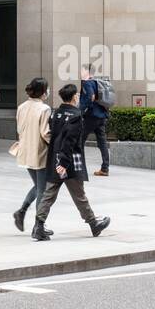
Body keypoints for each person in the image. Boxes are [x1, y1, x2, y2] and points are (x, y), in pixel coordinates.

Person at [32, 83, 111, 241]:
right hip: (70, 161)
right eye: (77, 95)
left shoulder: (56, 113)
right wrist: (64, 163)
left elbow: (54, 137)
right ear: (74, 97)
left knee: (49, 193)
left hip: (55, 158)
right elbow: (69, 141)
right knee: (79, 194)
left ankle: (38, 225)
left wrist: (58, 161)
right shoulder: (76, 116)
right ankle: (93, 223)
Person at [13, 77, 54, 236]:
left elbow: (19, 128)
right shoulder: (44, 109)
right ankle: (39, 226)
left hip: (25, 151)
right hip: (40, 152)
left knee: (38, 186)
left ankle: (21, 212)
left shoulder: (21, 107)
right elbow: (46, 133)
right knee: (43, 189)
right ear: (43, 92)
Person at [79, 65, 111, 177]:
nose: (80, 72)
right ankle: (105, 168)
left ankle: (80, 169)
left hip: (91, 116)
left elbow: (91, 97)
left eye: (82, 70)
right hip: (101, 116)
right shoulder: (98, 82)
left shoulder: (87, 83)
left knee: (79, 141)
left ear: (87, 72)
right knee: (102, 143)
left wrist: (81, 110)